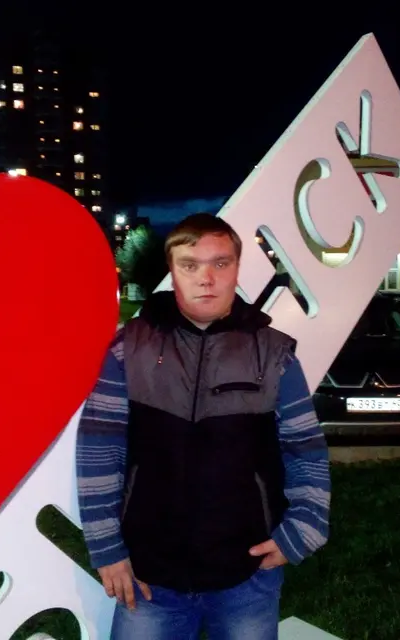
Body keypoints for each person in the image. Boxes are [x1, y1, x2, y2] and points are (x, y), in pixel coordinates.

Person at [76, 213, 331, 640]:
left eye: (220, 263)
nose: (206, 278)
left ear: (237, 268)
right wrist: (106, 549)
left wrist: (302, 530)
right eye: (190, 264)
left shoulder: (274, 354)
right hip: (149, 574)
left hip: (247, 573)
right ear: (172, 270)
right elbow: (98, 450)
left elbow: (305, 449)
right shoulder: (129, 348)